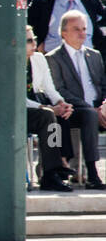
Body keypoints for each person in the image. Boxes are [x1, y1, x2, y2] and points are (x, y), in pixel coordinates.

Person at [44, 9, 106, 189]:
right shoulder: (53, 58)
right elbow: (59, 89)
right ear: (64, 32)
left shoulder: (94, 55)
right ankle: (93, 174)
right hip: (74, 109)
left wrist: (103, 105)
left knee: (93, 113)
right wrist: (90, 108)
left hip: (97, 107)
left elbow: (103, 85)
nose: (82, 33)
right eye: (76, 29)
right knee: (89, 115)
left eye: (84, 29)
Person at [25, 24, 74, 191]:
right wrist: (45, 107)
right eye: (29, 40)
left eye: (34, 40)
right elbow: (14, 97)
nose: (34, 44)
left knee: (63, 114)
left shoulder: (38, 59)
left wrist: (61, 103)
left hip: (37, 105)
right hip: (18, 110)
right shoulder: (7, 62)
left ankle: (59, 164)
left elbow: (49, 88)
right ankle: (51, 171)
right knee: (48, 116)